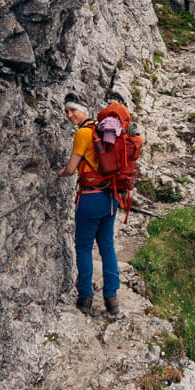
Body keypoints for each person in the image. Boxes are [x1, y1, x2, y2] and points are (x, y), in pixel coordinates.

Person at [57, 95, 120, 316]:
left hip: (90, 198)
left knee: (83, 246)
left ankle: (85, 296)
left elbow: (71, 169)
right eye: (66, 112)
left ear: (84, 110)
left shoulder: (83, 133)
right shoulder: (104, 130)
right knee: (107, 246)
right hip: (110, 197)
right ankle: (111, 298)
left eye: (73, 110)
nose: (69, 115)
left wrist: (60, 173)